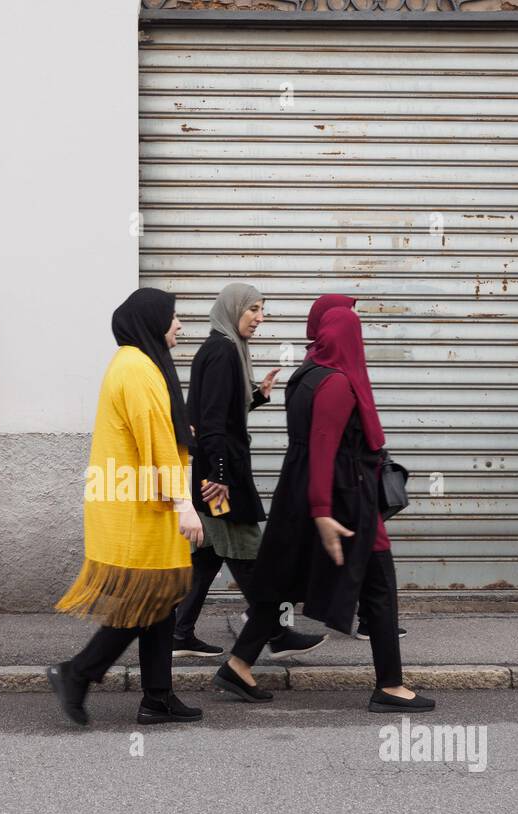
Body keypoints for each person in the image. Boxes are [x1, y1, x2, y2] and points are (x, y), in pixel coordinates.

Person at [214, 302, 435, 712]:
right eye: (356, 331)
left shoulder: (306, 374)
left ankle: (238, 664)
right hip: (343, 500)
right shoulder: (336, 383)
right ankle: (390, 686)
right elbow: (322, 447)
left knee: (283, 582)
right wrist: (323, 512)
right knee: (380, 587)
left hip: (303, 494)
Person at [48, 288, 205, 727]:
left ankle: (158, 698)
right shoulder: (137, 367)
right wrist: (182, 502)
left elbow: (157, 429)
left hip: (139, 502)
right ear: (153, 321)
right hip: (139, 506)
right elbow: (153, 439)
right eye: (173, 317)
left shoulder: (136, 362)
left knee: (160, 601)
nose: (180, 325)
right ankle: (76, 672)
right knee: (145, 601)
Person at [174, 282, 327, 662]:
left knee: (208, 558)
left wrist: (256, 396)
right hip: (222, 481)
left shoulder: (220, 348)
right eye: (253, 309)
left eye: (261, 310)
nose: (260, 317)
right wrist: (222, 477)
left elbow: (221, 416)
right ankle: (274, 632)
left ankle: (179, 633)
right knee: (250, 557)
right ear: (233, 310)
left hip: (214, 473)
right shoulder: (223, 352)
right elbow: (210, 425)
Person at [303, 296, 407, 642]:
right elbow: (324, 444)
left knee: (357, 560)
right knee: (372, 563)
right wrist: (322, 504)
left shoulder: (329, 369)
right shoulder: (334, 379)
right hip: (349, 489)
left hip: (350, 486)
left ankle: (375, 638)